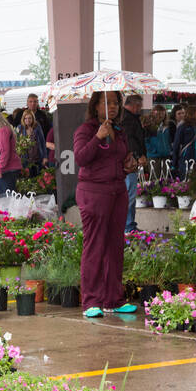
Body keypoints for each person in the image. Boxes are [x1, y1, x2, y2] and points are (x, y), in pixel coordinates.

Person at [74, 90, 141, 318]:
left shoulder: (119, 131)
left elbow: (118, 158)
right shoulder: (86, 130)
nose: (112, 107)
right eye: (107, 102)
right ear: (95, 106)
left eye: (116, 103)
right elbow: (81, 158)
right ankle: (91, 301)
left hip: (117, 192)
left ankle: (113, 299)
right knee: (94, 246)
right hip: (94, 193)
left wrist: (128, 164)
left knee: (115, 246)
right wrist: (98, 138)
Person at [118, 95, 148, 233]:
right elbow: (130, 140)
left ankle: (129, 225)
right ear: (134, 105)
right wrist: (138, 155)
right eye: (140, 106)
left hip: (129, 162)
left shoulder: (128, 118)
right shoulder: (128, 119)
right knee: (129, 195)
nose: (140, 109)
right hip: (129, 163)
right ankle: (128, 227)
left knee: (130, 195)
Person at [0, 109, 22, 195]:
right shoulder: (3, 130)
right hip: (8, 167)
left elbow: (5, 152)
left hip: (9, 168)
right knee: (6, 196)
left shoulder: (3, 131)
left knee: (5, 198)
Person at [172, 104, 196, 181]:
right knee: (185, 183)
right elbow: (176, 145)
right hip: (186, 161)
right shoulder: (183, 126)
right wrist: (174, 164)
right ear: (192, 114)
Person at [18, 108, 47, 178]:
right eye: (25, 118)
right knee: (27, 178)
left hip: (37, 158)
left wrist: (45, 157)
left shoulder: (37, 126)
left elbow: (43, 142)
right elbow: (16, 144)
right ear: (23, 119)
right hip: (25, 159)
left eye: (29, 118)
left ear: (33, 118)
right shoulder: (20, 128)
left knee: (38, 178)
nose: (27, 120)